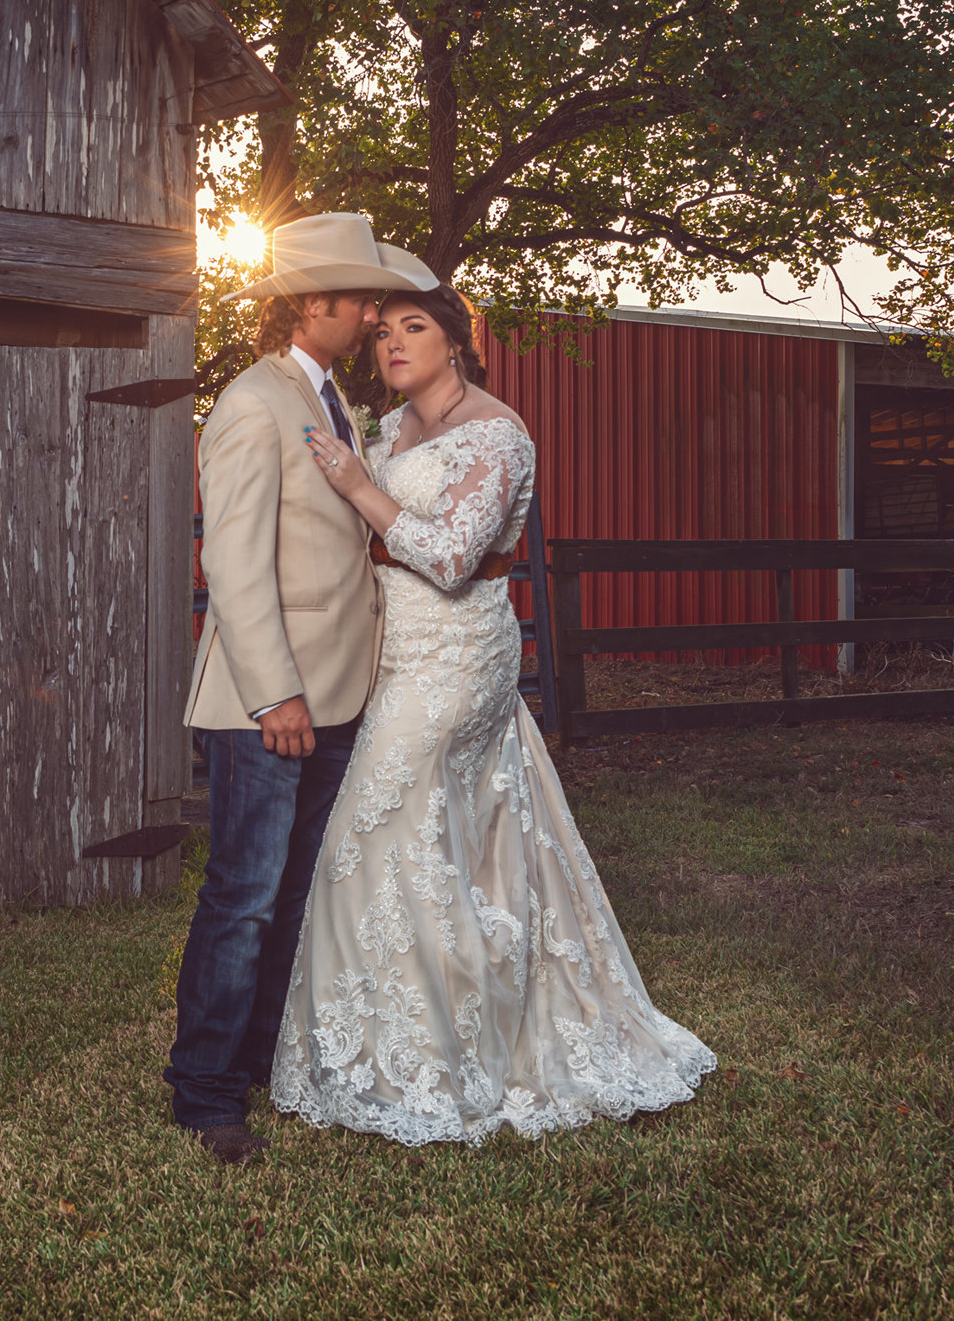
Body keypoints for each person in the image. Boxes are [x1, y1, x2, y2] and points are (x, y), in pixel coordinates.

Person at [272, 284, 720, 1145]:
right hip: (391, 650)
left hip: (457, 656)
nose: (393, 346)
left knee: (375, 831)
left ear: (456, 342)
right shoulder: (393, 428)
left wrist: (361, 488)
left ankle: (429, 1061)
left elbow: (446, 556)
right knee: (438, 838)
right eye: (384, 335)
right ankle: (388, 1039)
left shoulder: (496, 434)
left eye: (415, 330)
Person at [165, 211, 440, 1166]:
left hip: (334, 693)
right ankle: (202, 1095)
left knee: (290, 891)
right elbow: (233, 564)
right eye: (363, 297)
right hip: (269, 703)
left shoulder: (328, 400)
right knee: (242, 893)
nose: (375, 313)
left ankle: (252, 1065)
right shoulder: (252, 402)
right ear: (312, 303)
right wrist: (272, 694)